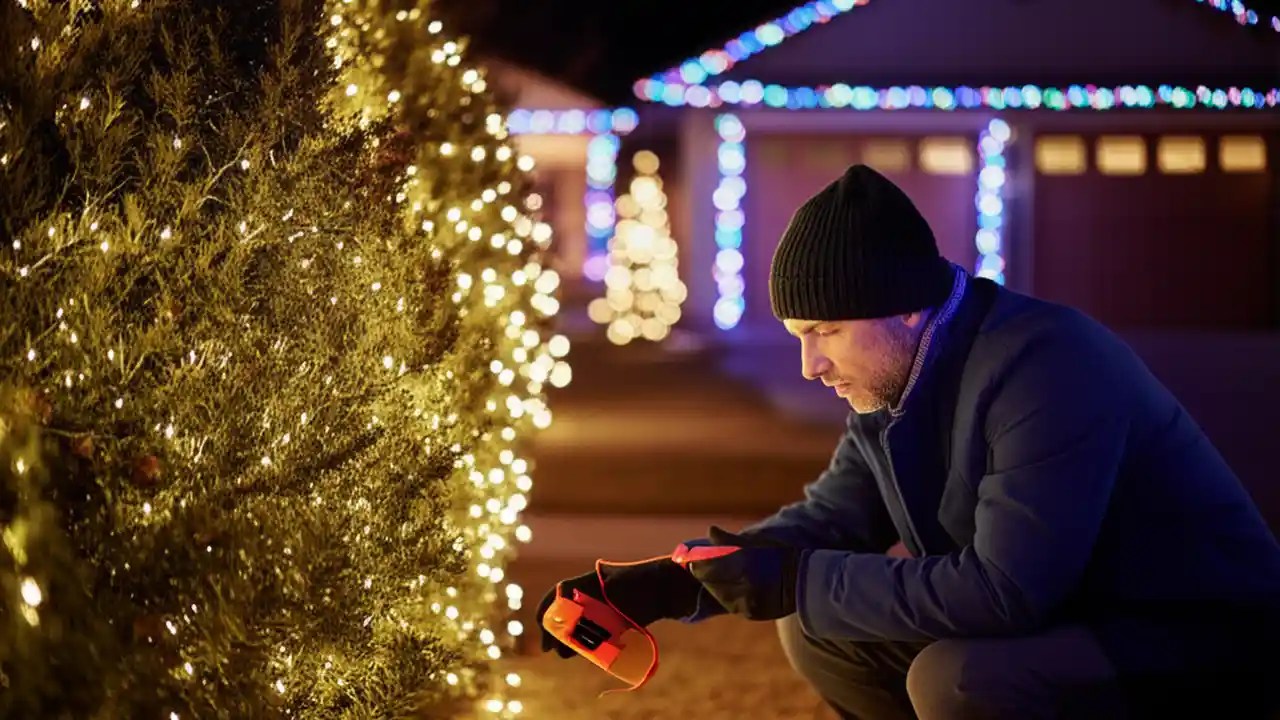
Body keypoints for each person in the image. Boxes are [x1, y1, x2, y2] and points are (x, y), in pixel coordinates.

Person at [535, 165, 1280, 719]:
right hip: (1077, 616)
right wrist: (671, 583)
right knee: (817, 629)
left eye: (825, 332)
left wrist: (793, 580)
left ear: (906, 312)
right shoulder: (900, 380)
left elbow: (1007, 592)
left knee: (957, 677)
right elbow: (829, 522)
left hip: (1192, 634)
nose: (810, 364)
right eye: (800, 335)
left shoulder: (1049, 366)